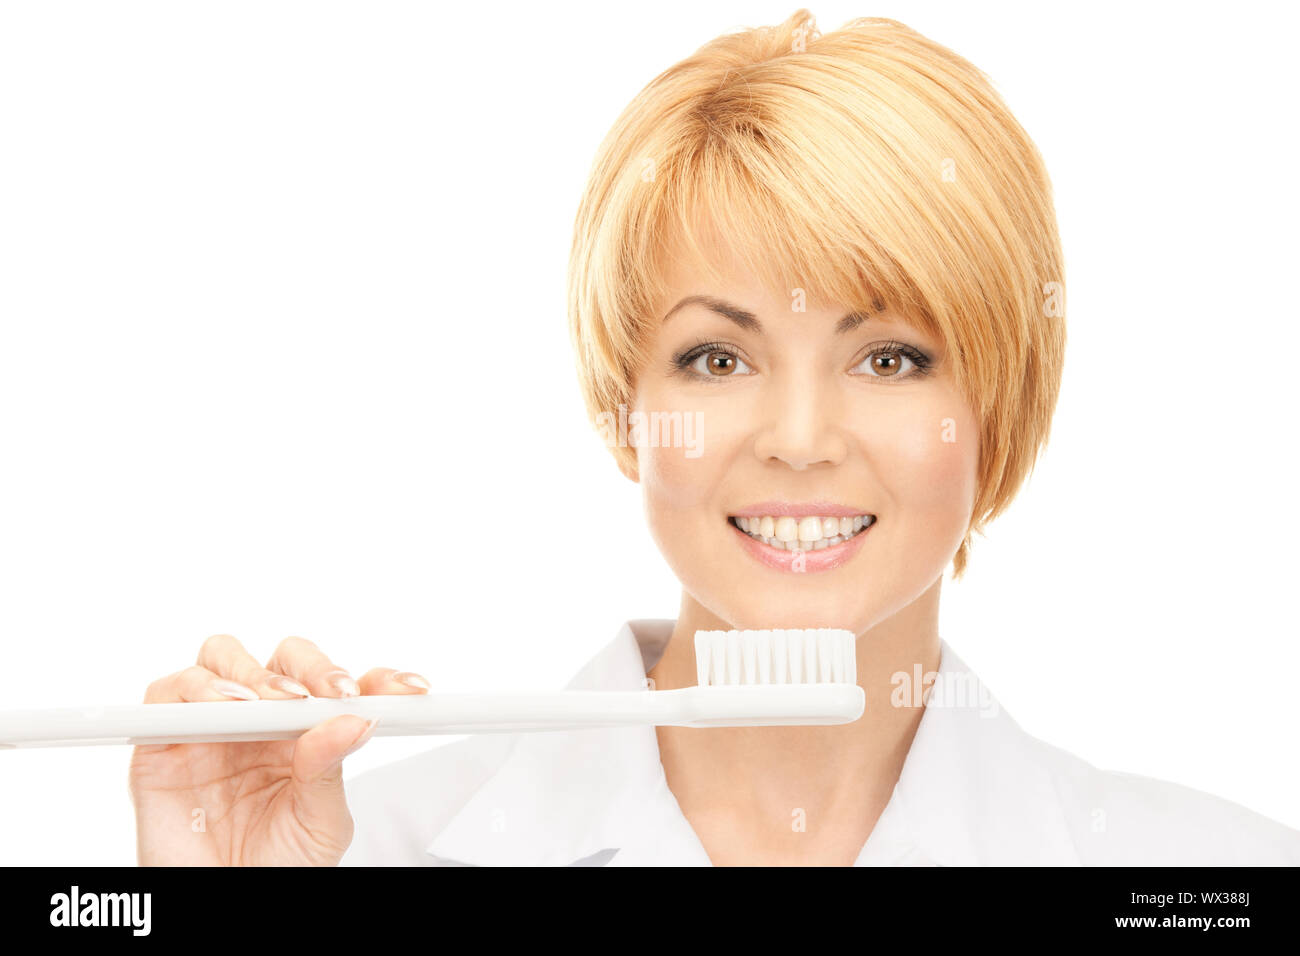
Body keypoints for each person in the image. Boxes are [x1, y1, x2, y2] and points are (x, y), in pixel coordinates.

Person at [131, 9, 1300, 866]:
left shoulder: (1216, 879)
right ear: (625, 404)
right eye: (718, 357)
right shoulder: (362, 855)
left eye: (888, 356)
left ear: (997, 406)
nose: (798, 437)